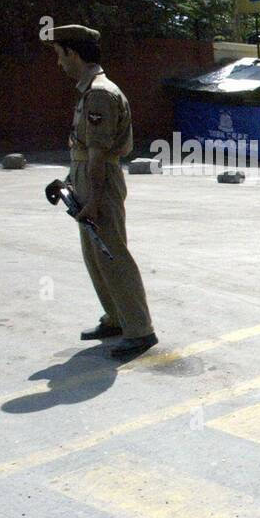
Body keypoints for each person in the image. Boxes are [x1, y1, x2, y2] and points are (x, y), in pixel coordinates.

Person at [47, 25, 157, 359]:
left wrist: (93, 199)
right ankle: (116, 318)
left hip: (101, 181)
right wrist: (69, 181)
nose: (59, 63)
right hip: (87, 177)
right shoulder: (88, 91)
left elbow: (97, 153)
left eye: (60, 55)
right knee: (96, 256)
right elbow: (83, 151)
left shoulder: (99, 94)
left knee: (112, 254)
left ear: (73, 53)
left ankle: (140, 330)